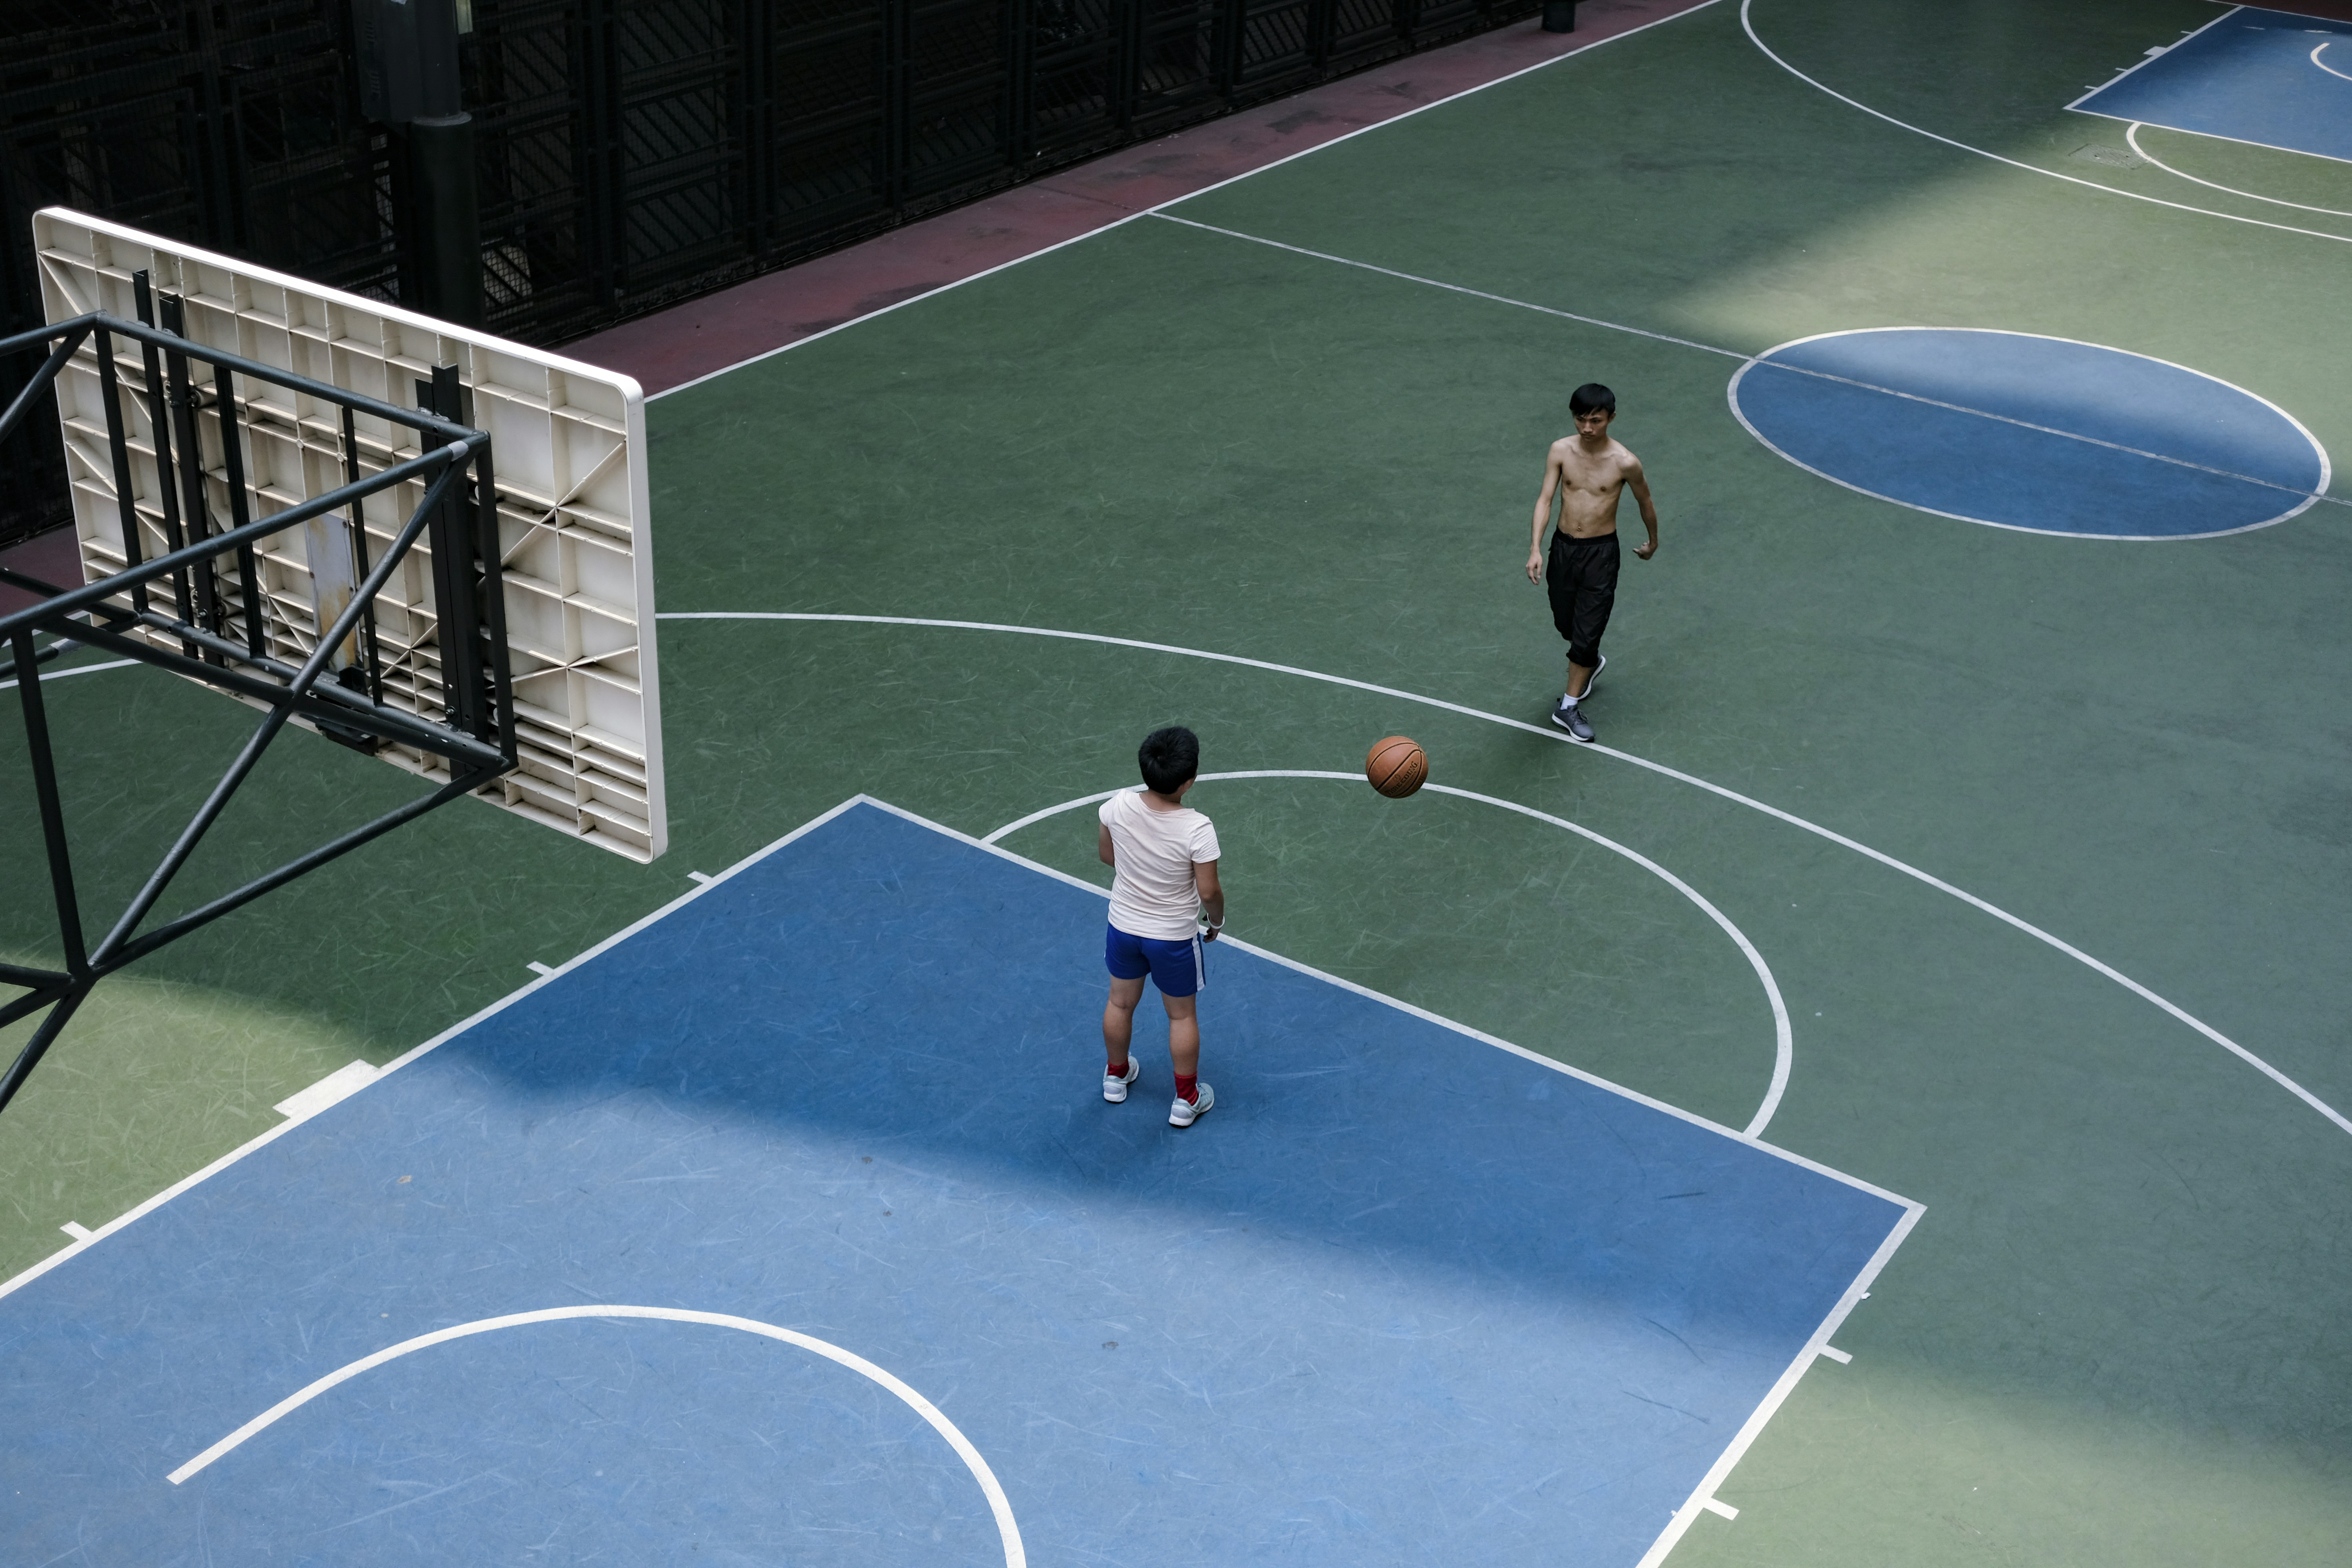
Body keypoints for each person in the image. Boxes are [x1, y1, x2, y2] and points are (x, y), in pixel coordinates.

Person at [1097, 726, 1225, 1127]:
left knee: (1119, 1002)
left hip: (1123, 926)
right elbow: (1209, 891)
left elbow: (1107, 856)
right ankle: (1186, 1100)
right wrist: (1217, 921)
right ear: (1189, 781)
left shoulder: (1117, 805)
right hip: (1170, 937)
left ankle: (1116, 1076)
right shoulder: (1197, 828)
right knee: (1182, 1016)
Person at [1525, 382, 1658, 743]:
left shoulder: (1625, 462)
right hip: (1564, 549)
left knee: (1586, 631)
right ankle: (1589, 660)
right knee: (1566, 623)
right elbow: (1545, 499)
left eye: (1596, 421)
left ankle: (1567, 706)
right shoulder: (1561, 451)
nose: (1587, 428)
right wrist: (1536, 548)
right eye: (1581, 419)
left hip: (1601, 554)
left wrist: (1653, 542)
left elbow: (1646, 502)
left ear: (1611, 418)